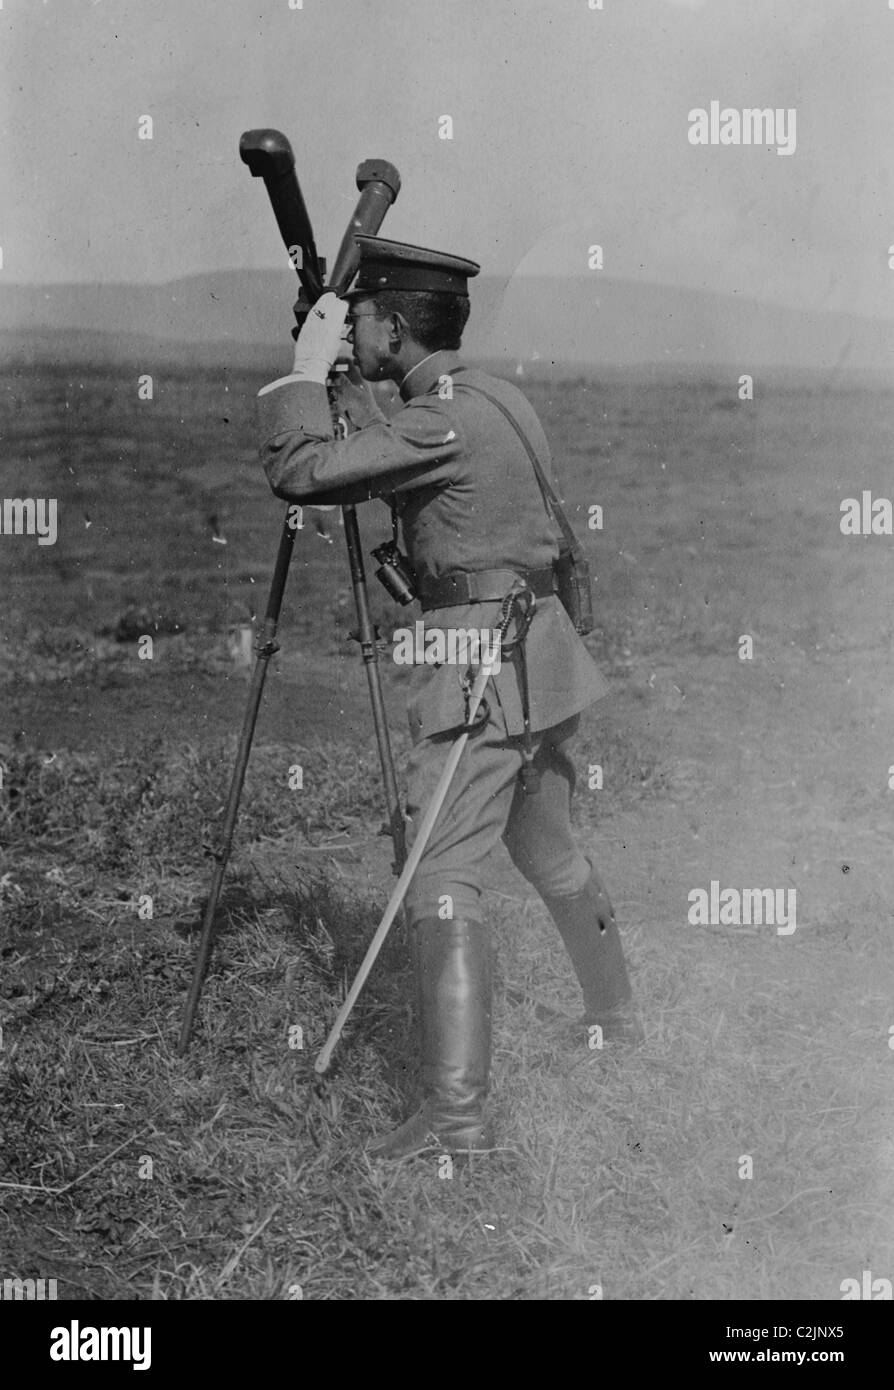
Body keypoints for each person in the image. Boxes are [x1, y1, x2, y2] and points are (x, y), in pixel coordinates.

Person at [257, 237, 642, 1160]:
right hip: (538, 658)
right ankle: (616, 1020)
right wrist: (353, 392)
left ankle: (457, 1121)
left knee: (439, 875)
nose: (352, 328)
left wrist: (303, 375)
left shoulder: (439, 423)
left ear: (391, 327)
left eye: (358, 320)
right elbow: (405, 459)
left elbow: (302, 472)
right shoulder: (491, 399)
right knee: (548, 846)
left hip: (479, 665)